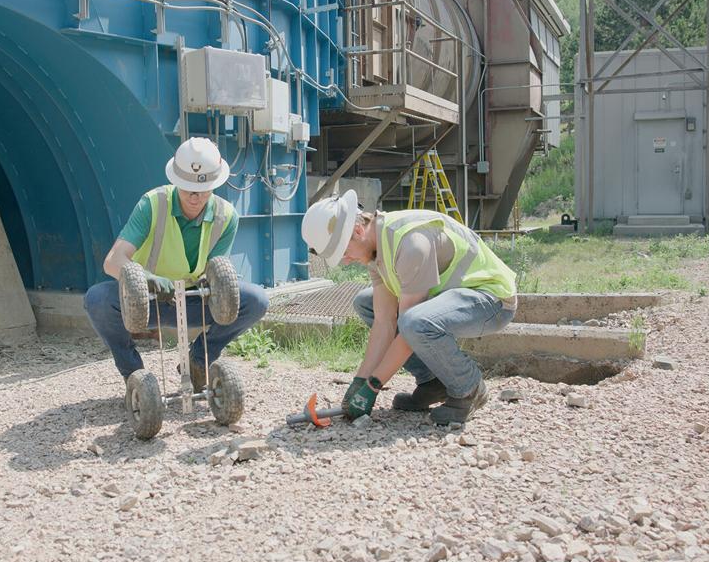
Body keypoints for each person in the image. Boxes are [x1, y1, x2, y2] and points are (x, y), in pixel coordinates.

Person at [300, 191, 517, 425]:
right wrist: (359, 382)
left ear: (358, 231)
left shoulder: (411, 244)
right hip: (449, 301)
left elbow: (407, 330)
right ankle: (433, 382)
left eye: (343, 252)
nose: (345, 260)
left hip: (491, 300)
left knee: (414, 323)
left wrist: (373, 386)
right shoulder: (375, 250)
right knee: (366, 304)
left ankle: (469, 389)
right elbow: (384, 322)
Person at [84, 137, 270, 393]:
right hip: (145, 302)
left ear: (215, 183)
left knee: (255, 300)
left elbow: (217, 273)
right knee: (98, 300)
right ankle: (134, 375)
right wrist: (147, 278)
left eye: (202, 190)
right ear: (175, 181)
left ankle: (199, 359)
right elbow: (112, 261)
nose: (195, 198)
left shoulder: (226, 217)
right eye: (187, 189)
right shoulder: (153, 204)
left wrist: (213, 283)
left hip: (194, 298)